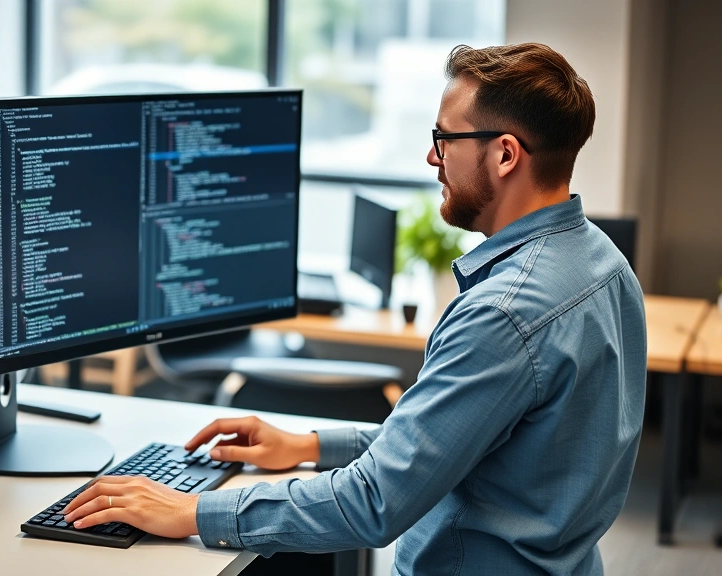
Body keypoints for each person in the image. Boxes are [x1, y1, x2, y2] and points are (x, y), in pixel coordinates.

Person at [63, 42, 647, 575]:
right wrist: (309, 446)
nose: (430, 156)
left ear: (504, 155)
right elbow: (454, 443)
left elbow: (375, 503)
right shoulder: (605, 265)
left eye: (445, 139)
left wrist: (193, 510)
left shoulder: (505, 314)